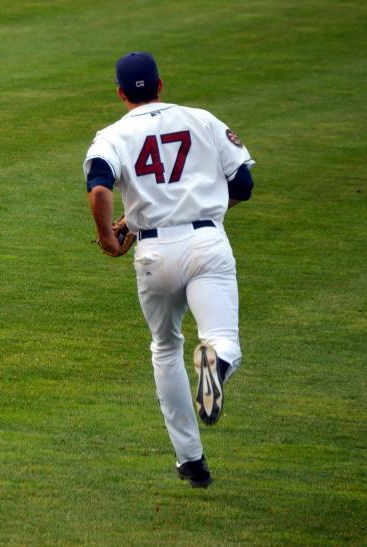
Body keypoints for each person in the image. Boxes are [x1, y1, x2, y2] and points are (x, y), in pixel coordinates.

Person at [83, 52, 255, 488]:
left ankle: (191, 460)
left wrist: (108, 236)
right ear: (161, 84)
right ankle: (215, 366)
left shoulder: (112, 135)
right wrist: (205, 208)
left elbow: (99, 186)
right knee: (221, 340)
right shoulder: (201, 119)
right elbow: (243, 186)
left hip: (153, 253)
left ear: (120, 93)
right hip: (206, 243)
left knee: (164, 347)